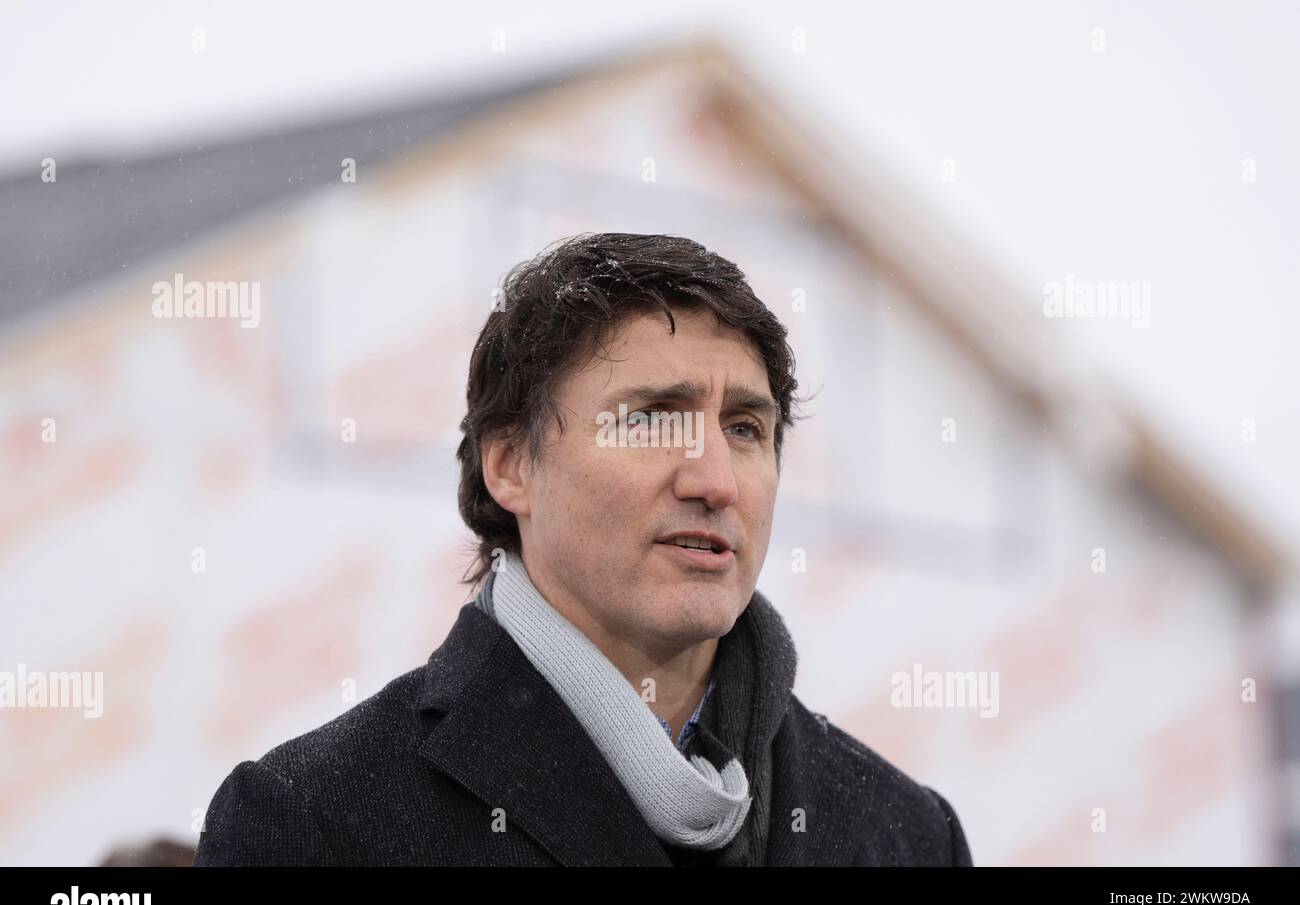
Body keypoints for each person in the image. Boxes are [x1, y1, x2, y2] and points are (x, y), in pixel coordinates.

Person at [193, 232, 973, 866]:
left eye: (745, 429)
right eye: (652, 419)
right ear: (511, 466)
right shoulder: (313, 822)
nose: (714, 481)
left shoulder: (907, 833)